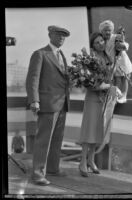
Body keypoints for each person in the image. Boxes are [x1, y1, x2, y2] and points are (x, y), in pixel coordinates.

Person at [26, 25, 70, 185]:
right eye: (59, 34)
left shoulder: (62, 55)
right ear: (50, 34)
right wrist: (34, 100)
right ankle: (37, 174)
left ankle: (53, 169)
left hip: (62, 103)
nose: (62, 38)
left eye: (64, 36)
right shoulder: (40, 54)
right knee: (43, 140)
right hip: (47, 103)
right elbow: (32, 78)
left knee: (57, 139)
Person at [78, 32, 121, 177]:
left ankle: (91, 160)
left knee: (97, 131)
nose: (101, 43)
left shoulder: (108, 58)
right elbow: (90, 84)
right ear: (93, 46)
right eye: (97, 42)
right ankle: (82, 162)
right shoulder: (90, 59)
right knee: (88, 130)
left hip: (104, 99)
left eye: (102, 41)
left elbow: (110, 77)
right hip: (93, 98)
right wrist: (105, 86)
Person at [99, 20, 132, 103]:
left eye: (109, 30)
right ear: (101, 31)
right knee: (117, 79)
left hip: (123, 61)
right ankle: (117, 95)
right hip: (113, 63)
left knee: (125, 78)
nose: (108, 32)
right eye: (105, 30)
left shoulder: (116, 37)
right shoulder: (102, 40)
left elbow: (125, 44)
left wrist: (123, 46)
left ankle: (124, 95)